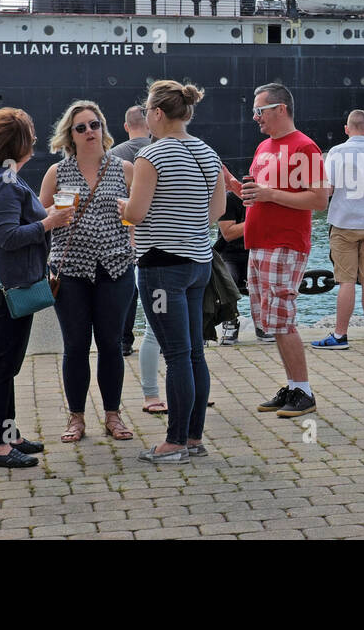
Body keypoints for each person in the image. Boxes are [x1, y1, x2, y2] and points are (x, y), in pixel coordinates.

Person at [120, 80, 226, 463]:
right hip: (199, 263)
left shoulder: (151, 156)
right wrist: (185, 218)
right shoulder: (208, 152)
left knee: (177, 355)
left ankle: (175, 442)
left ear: (158, 113)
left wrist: (120, 204)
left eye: (147, 111)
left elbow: (136, 214)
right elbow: (216, 211)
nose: (146, 117)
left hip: (162, 268)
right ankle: (194, 438)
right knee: (195, 353)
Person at [0, 107, 74, 468]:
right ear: (20, 144)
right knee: (4, 364)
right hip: (9, 284)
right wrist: (50, 222)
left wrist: (46, 217)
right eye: (29, 134)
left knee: (9, 362)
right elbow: (8, 236)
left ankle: (9, 433)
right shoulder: (4, 182)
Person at [39, 100, 136, 443]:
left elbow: (140, 212)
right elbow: (39, 217)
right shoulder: (57, 172)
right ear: (71, 134)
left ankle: (113, 415)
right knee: (76, 345)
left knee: (111, 344)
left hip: (116, 266)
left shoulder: (124, 168)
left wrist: (132, 236)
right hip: (70, 271)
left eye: (94, 125)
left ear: (103, 128)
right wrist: (55, 213)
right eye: (81, 127)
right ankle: (76, 417)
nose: (89, 131)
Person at [243, 83, 330, 418]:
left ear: (281, 108)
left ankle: (304, 392)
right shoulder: (264, 146)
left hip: (285, 243)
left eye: (260, 110)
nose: (255, 117)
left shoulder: (305, 147)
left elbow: (319, 199)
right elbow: (261, 194)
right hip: (259, 242)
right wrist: (241, 189)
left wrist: (269, 195)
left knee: (282, 319)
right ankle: (294, 386)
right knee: (272, 321)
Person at [313, 109, 364, 349]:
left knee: (346, 281)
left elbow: (327, 191)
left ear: (346, 129)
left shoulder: (335, 153)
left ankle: (340, 336)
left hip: (343, 224)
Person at [110, 104, 151, 358]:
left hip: (124, 235)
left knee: (128, 290)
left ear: (126, 126)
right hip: (155, 232)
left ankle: (124, 341)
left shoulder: (113, 156)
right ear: (149, 124)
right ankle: (158, 338)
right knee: (155, 287)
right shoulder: (157, 150)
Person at [215, 189, 249, 345]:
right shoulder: (229, 199)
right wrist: (257, 220)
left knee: (265, 277)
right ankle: (230, 320)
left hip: (255, 251)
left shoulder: (266, 197)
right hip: (229, 254)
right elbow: (228, 233)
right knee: (226, 279)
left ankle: (262, 322)